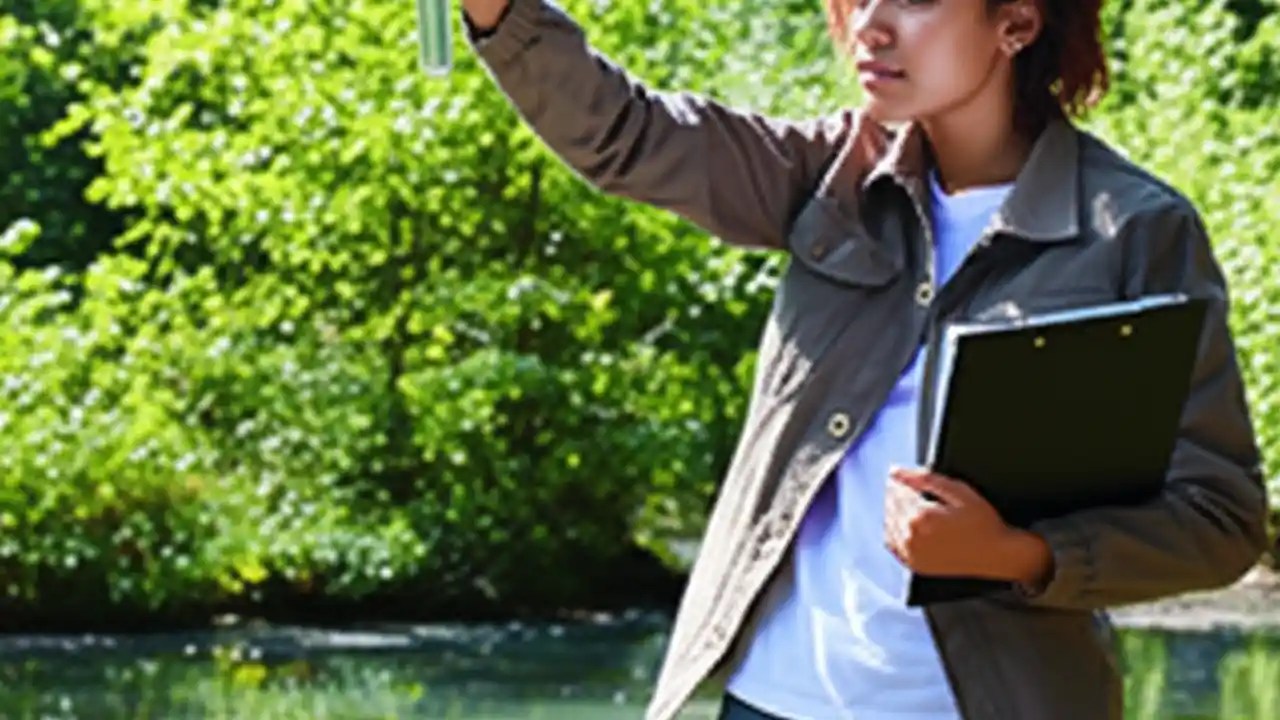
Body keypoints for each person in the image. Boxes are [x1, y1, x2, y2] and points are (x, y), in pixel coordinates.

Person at [456, 1, 1271, 719]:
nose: (869, 25)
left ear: (1015, 23)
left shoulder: (1133, 232)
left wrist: (1013, 556)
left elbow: (1218, 517)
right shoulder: (826, 176)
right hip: (771, 702)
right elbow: (626, 134)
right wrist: (501, 14)